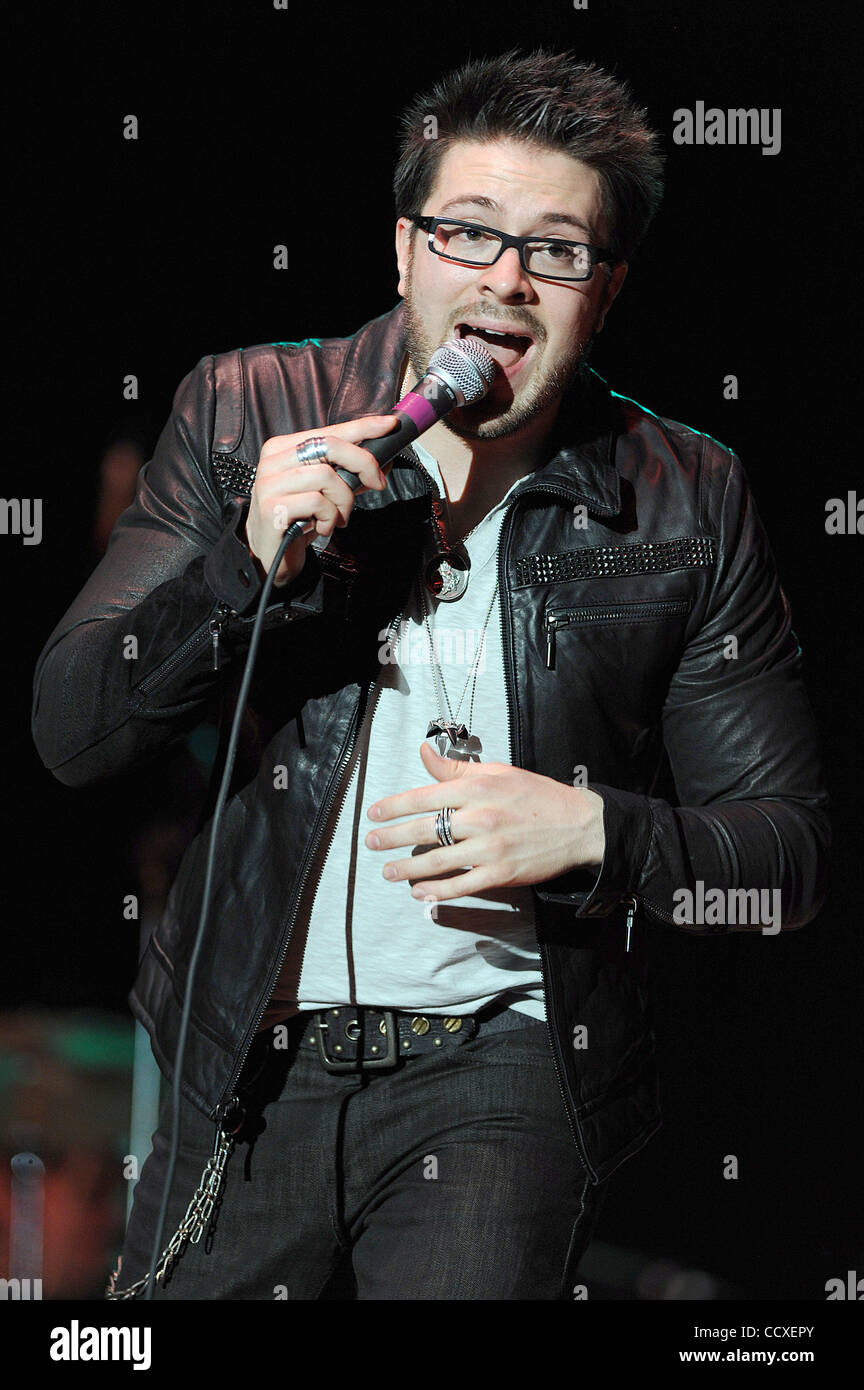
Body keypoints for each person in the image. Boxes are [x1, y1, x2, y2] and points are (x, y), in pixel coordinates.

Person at [31, 48, 829, 1301]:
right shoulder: (246, 410)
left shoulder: (687, 493)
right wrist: (236, 576)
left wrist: (594, 830)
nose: (505, 278)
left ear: (604, 293)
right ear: (405, 251)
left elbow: (784, 863)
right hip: (244, 1050)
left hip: (505, 1060)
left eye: (556, 250)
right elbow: (73, 733)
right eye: (468, 232)